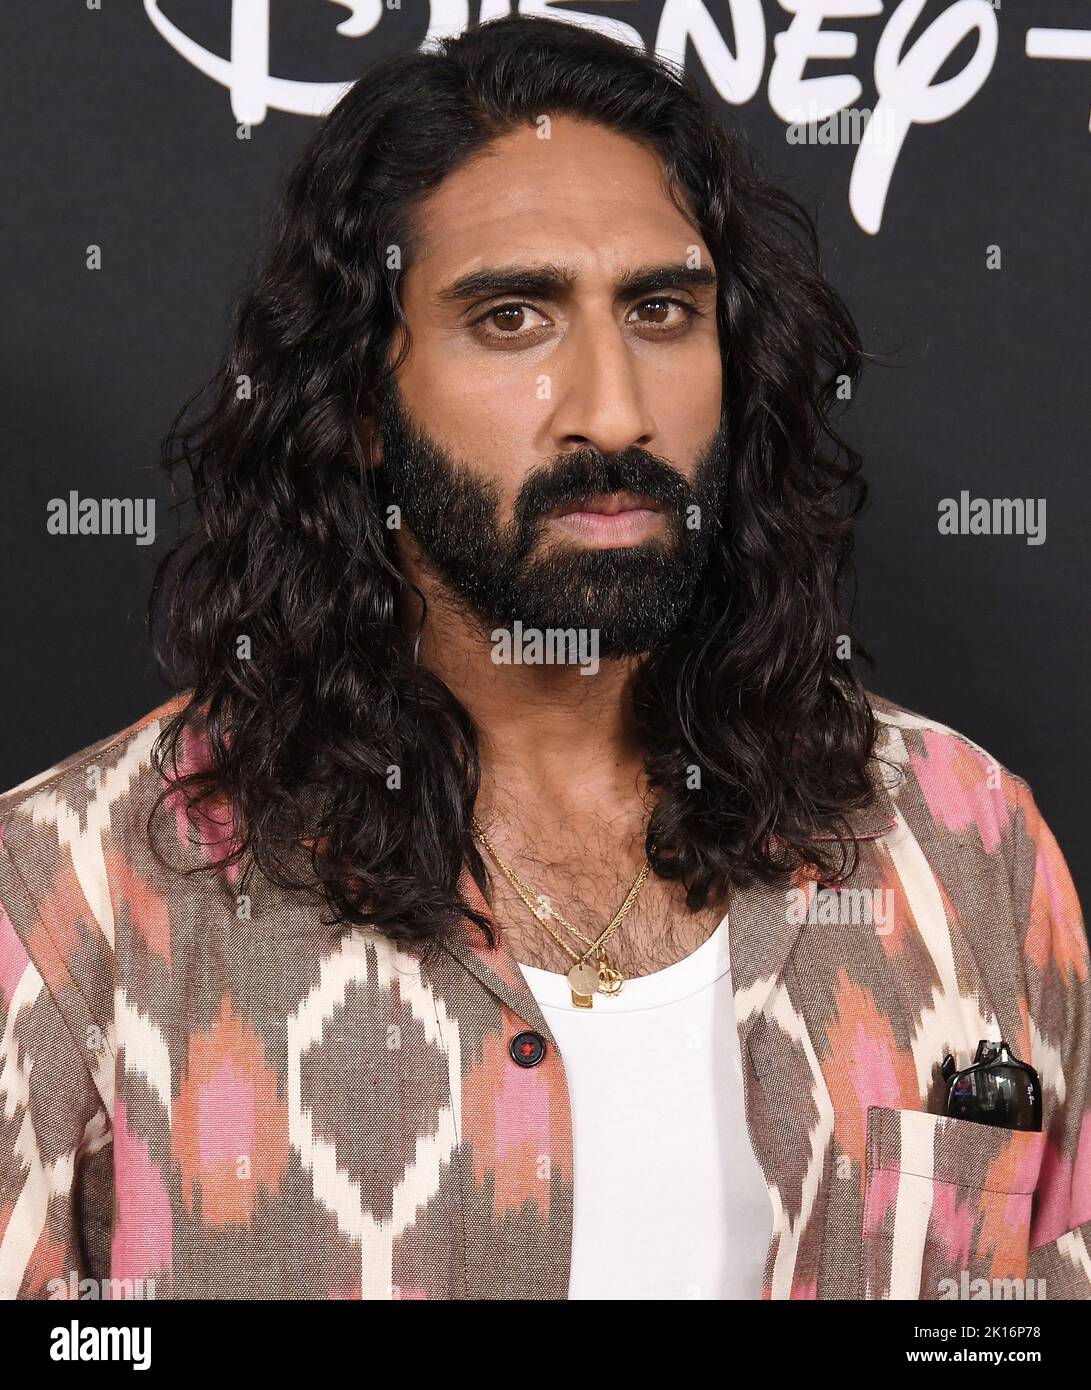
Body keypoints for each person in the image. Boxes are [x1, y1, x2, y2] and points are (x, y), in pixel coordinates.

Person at [1, 15, 1087, 1301]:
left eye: (663, 310)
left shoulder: (958, 842)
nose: (612, 408)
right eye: (510, 317)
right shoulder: (74, 895)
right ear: (358, 401)